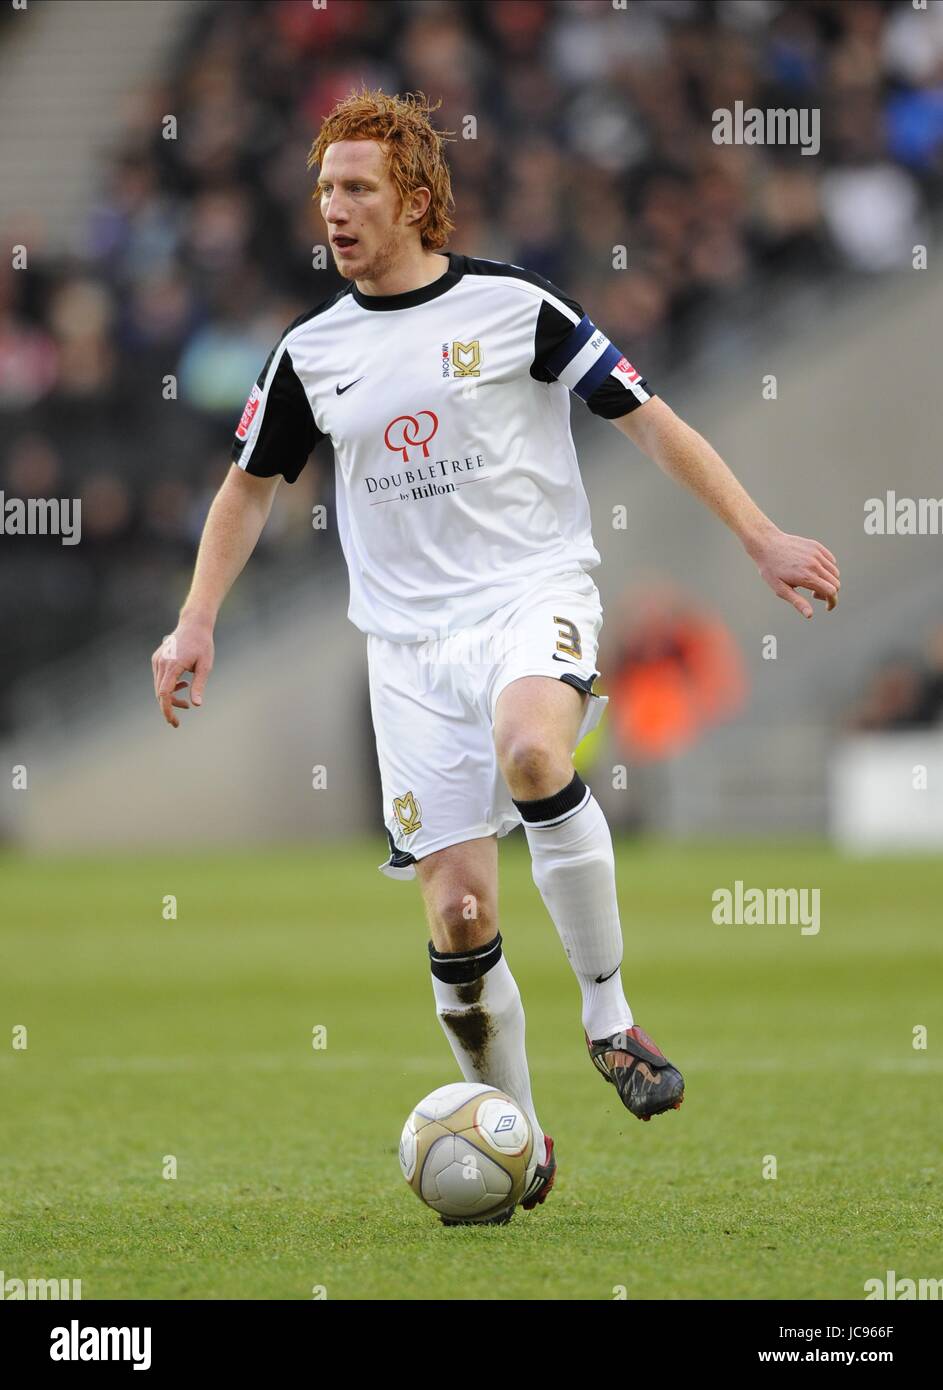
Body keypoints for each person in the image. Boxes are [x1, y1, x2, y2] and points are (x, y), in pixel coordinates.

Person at [151, 89, 840, 1224]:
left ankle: (609, 1018)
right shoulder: (309, 352)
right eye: (325, 189)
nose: (334, 209)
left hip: (530, 597)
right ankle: (515, 1138)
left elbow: (647, 416)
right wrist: (195, 619)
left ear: (416, 200)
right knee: (462, 916)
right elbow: (248, 487)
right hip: (407, 651)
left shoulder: (516, 306)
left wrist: (760, 534)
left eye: (358, 188)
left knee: (534, 750)